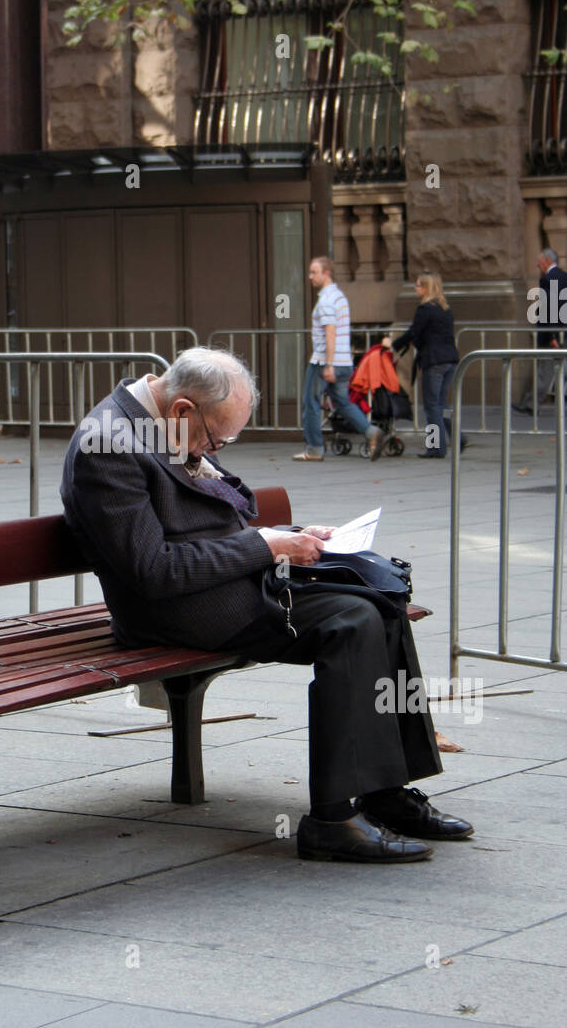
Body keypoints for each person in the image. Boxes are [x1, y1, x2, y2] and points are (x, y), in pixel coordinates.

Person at [61, 346, 474, 864]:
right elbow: (153, 571)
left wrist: (290, 537)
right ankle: (332, 819)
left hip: (226, 581)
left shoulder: (166, 420)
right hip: (174, 609)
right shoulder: (109, 445)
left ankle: (385, 791)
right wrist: (268, 546)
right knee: (352, 619)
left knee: (380, 602)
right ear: (184, 408)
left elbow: (217, 519)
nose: (218, 449)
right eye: (219, 439)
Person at [294, 257, 384, 462]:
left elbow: (330, 332)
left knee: (311, 402)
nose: (310, 277)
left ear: (326, 273)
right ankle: (371, 432)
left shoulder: (326, 300)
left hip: (324, 361)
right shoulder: (340, 297)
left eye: (313, 272)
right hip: (345, 361)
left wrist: (329, 364)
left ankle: (315, 448)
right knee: (342, 403)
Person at [383, 272, 465, 459]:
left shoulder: (425, 310)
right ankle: (458, 437)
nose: (415, 288)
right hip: (450, 360)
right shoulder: (445, 309)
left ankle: (436, 447)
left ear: (427, 288)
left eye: (418, 285)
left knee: (431, 406)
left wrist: (393, 344)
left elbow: (414, 333)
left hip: (434, 361)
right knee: (441, 404)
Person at [514, 248, 567, 414]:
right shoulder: (564, 277)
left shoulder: (547, 279)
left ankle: (531, 404)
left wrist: (551, 335)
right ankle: (531, 403)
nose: (537, 264)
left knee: (545, 370)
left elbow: (548, 309)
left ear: (547, 261)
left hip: (551, 333)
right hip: (563, 331)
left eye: (539, 261)